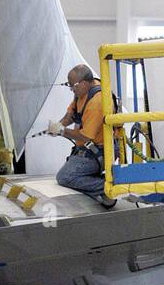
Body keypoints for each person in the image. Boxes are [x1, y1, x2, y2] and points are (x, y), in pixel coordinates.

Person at [48, 64, 116, 209]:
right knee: (68, 175)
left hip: (101, 151)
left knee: (64, 177)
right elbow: (72, 114)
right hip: (88, 150)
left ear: (84, 83)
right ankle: (99, 192)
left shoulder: (98, 101)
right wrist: (59, 125)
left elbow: (86, 136)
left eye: (73, 86)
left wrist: (61, 131)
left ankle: (111, 187)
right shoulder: (82, 93)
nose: (72, 89)